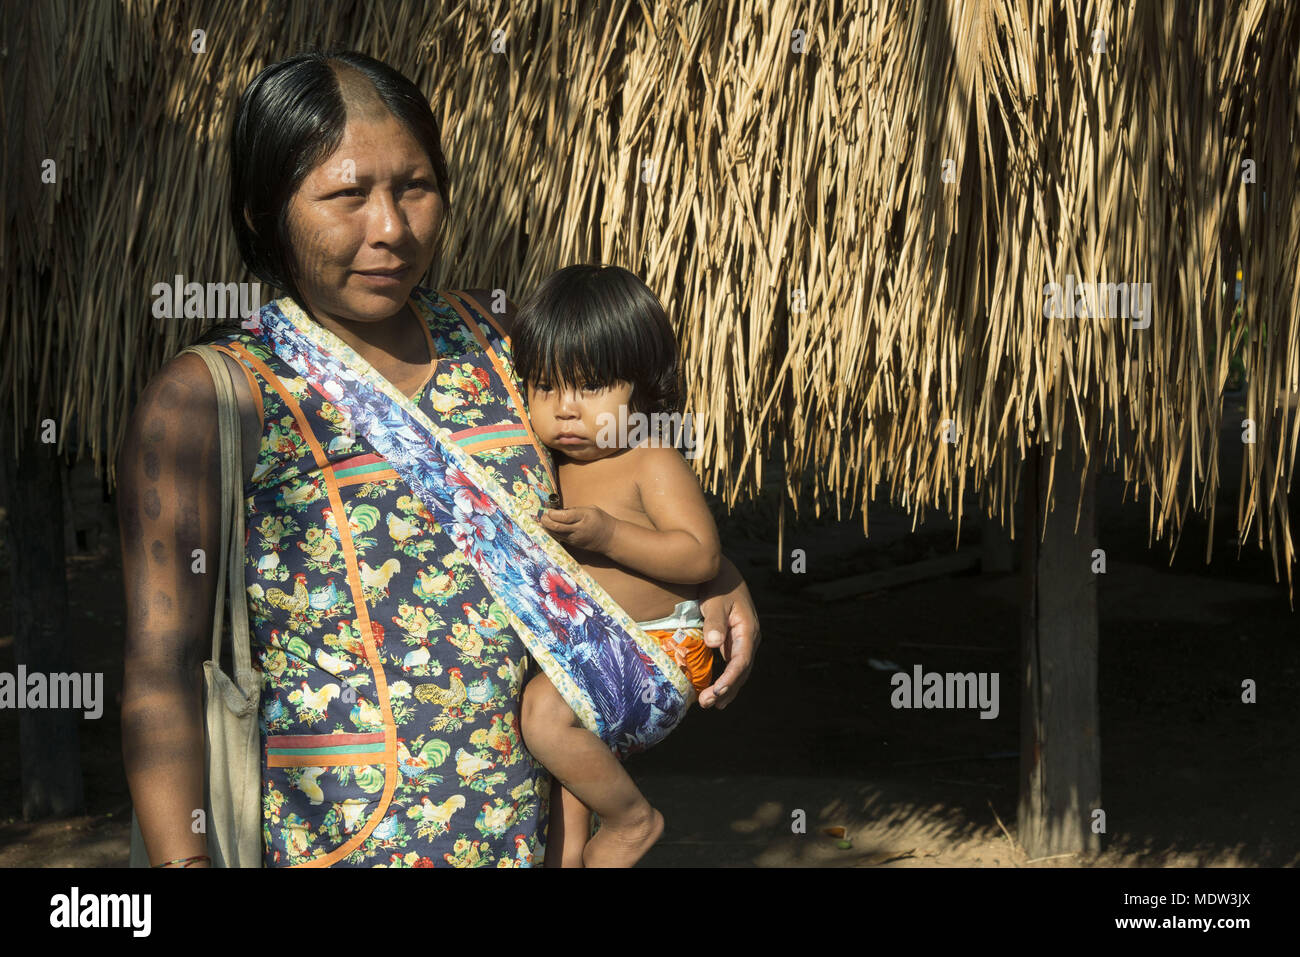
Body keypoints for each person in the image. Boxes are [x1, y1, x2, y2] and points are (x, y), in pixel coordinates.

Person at [117, 48, 760, 868]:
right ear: (260, 210)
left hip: (525, 843)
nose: (390, 227)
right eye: (347, 194)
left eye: (414, 187)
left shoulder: (502, 348)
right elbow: (161, 671)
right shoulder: (213, 399)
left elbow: (614, 504)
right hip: (335, 845)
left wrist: (720, 579)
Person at [512, 263, 722, 867]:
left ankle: (633, 820)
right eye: (545, 387)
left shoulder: (650, 458)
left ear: (643, 386)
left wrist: (609, 534)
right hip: (593, 658)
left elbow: (699, 554)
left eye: (590, 387)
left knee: (544, 716)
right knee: (564, 815)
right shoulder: (543, 462)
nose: (566, 410)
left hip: (660, 648)